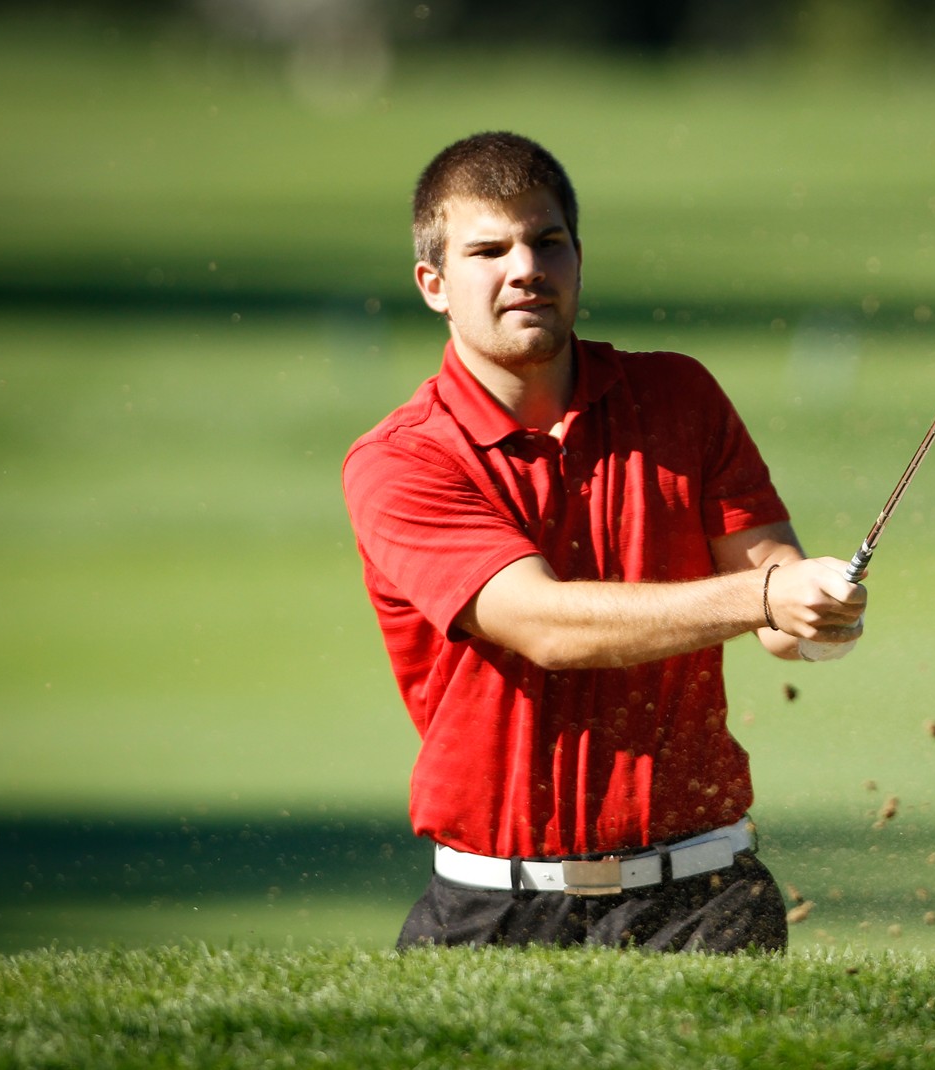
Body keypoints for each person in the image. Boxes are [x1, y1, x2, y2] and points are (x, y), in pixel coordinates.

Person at [342, 131, 867, 954]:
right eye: (489, 249)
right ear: (434, 284)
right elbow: (544, 626)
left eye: (546, 242)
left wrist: (817, 614)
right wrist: (765, 597)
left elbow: (773, 601)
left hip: (705, 899)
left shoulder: (679, 397)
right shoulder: (402, 459)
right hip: (495, 909)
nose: (525, 268)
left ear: (578, 260)